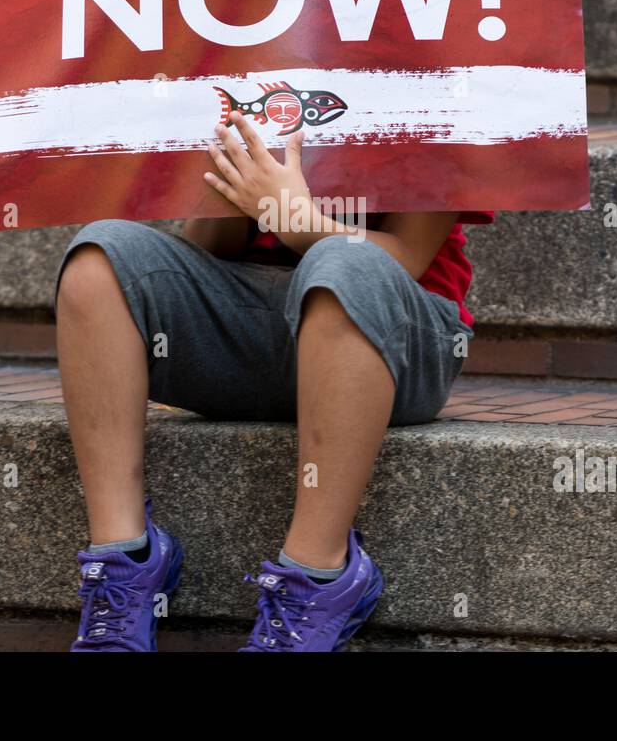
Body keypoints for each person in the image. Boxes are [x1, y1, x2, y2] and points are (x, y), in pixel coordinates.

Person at [55, 112, 492, 651]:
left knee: (342, 263)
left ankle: (319, 578)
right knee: (98, 255)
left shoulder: (431, 90)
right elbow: (208, 252)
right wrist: (226, 175)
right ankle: (123, 563)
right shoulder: (247, 73)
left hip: (394, 343)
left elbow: (406, 256)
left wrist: (289, 214)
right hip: (252, 325)